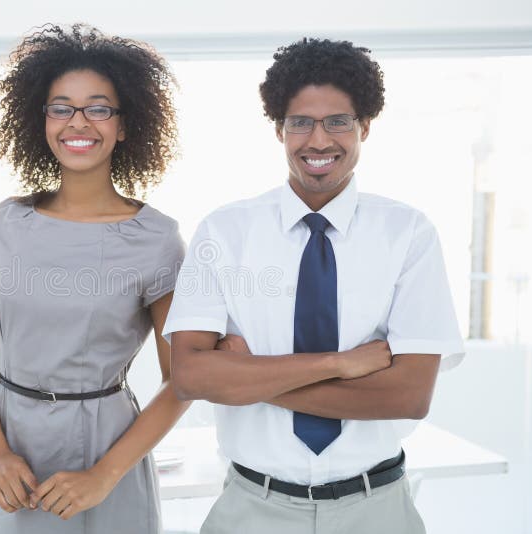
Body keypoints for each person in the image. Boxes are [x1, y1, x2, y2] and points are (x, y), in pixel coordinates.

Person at [163, 38, 465, 534]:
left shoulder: (408, 233)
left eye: (337, 122)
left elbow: (408, 395)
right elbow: (191, 377)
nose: (318, 140)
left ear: (364, 126)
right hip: (252, 508)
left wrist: (247, 377)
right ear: (279, 129)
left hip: (377, 509)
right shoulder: (223, 232)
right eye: (300, 122)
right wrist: (339, 365)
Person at [0, 23, 187, 534]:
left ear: (125, 124)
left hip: (105, 453)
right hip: (10, 456)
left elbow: (183, 381)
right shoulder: (4, 224)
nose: (77, 122)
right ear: (41, 120)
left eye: (98, 107)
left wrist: (104, 476)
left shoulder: (157, 239)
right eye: (61, 107)